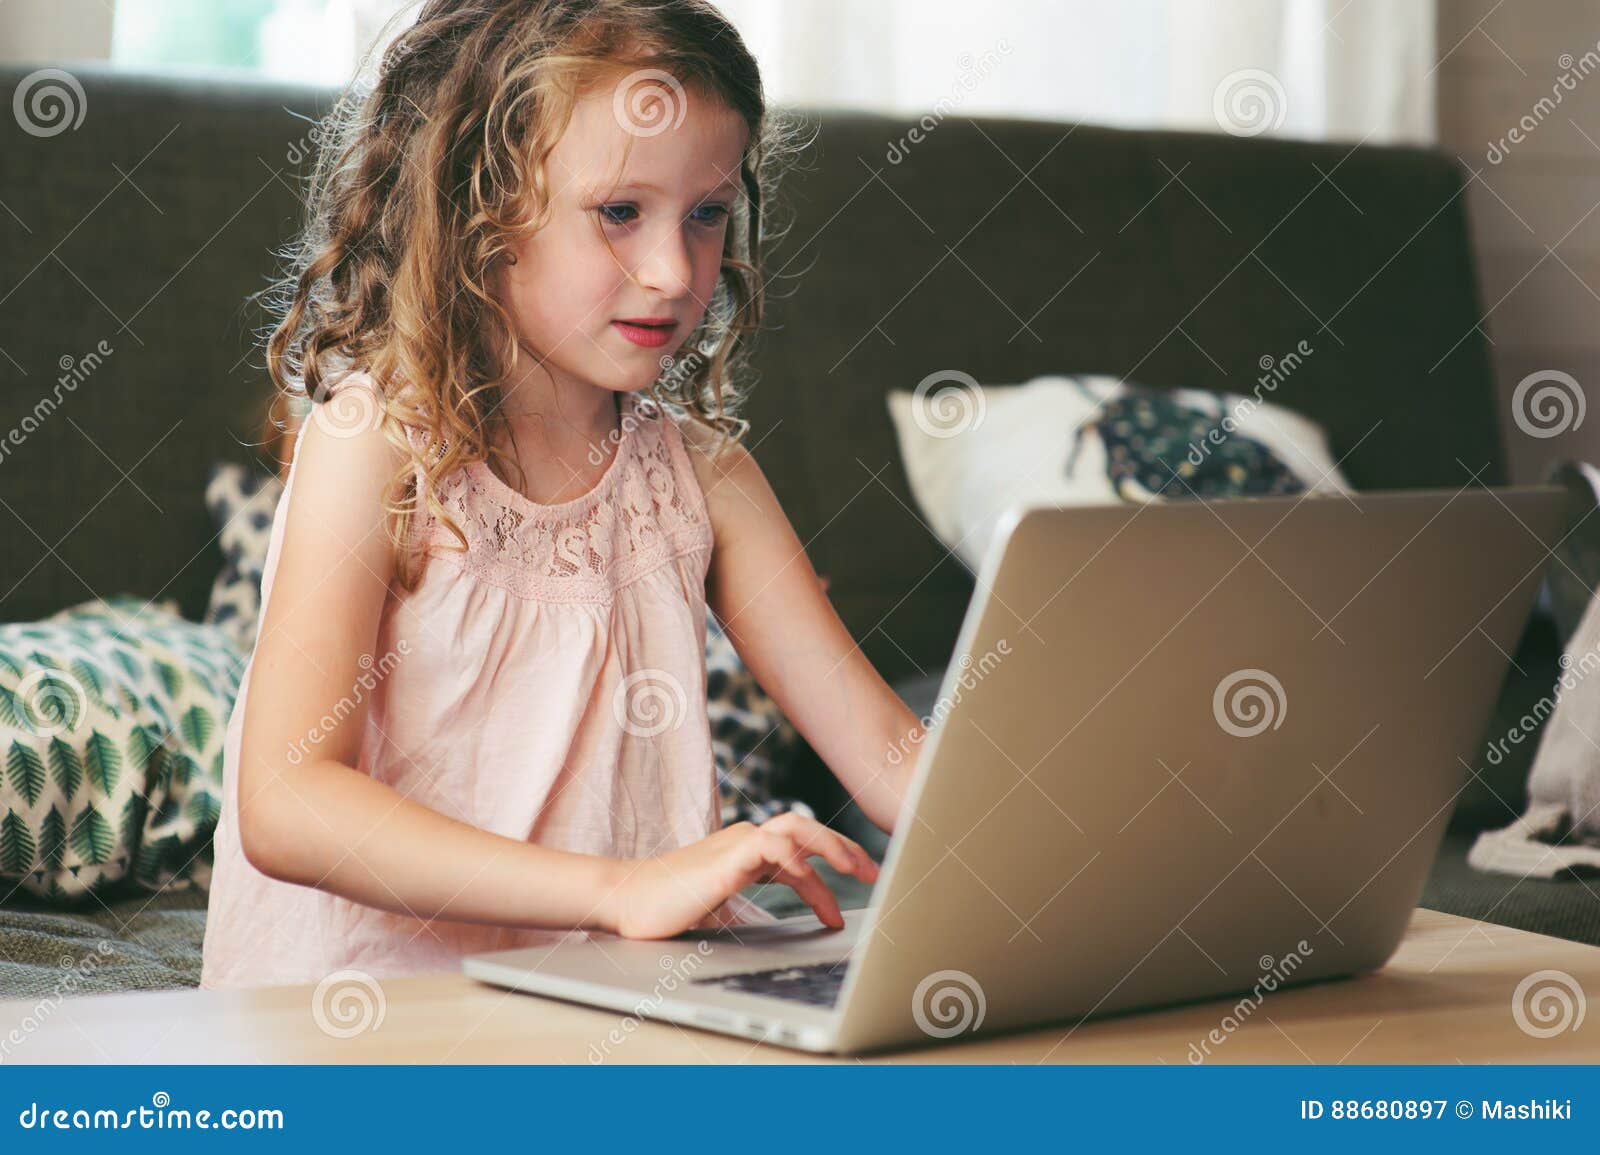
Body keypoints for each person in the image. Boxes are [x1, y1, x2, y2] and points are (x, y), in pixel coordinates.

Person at [200, 0, 923, 989]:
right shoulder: (373, 446)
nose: (673, 272)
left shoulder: (708, 477)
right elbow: (287, 804)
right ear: (478, 211)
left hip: (614, 1004)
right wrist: (619, 890)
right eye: (620, 212)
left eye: (707, 213)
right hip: (375, 1014)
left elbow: (888, 754)